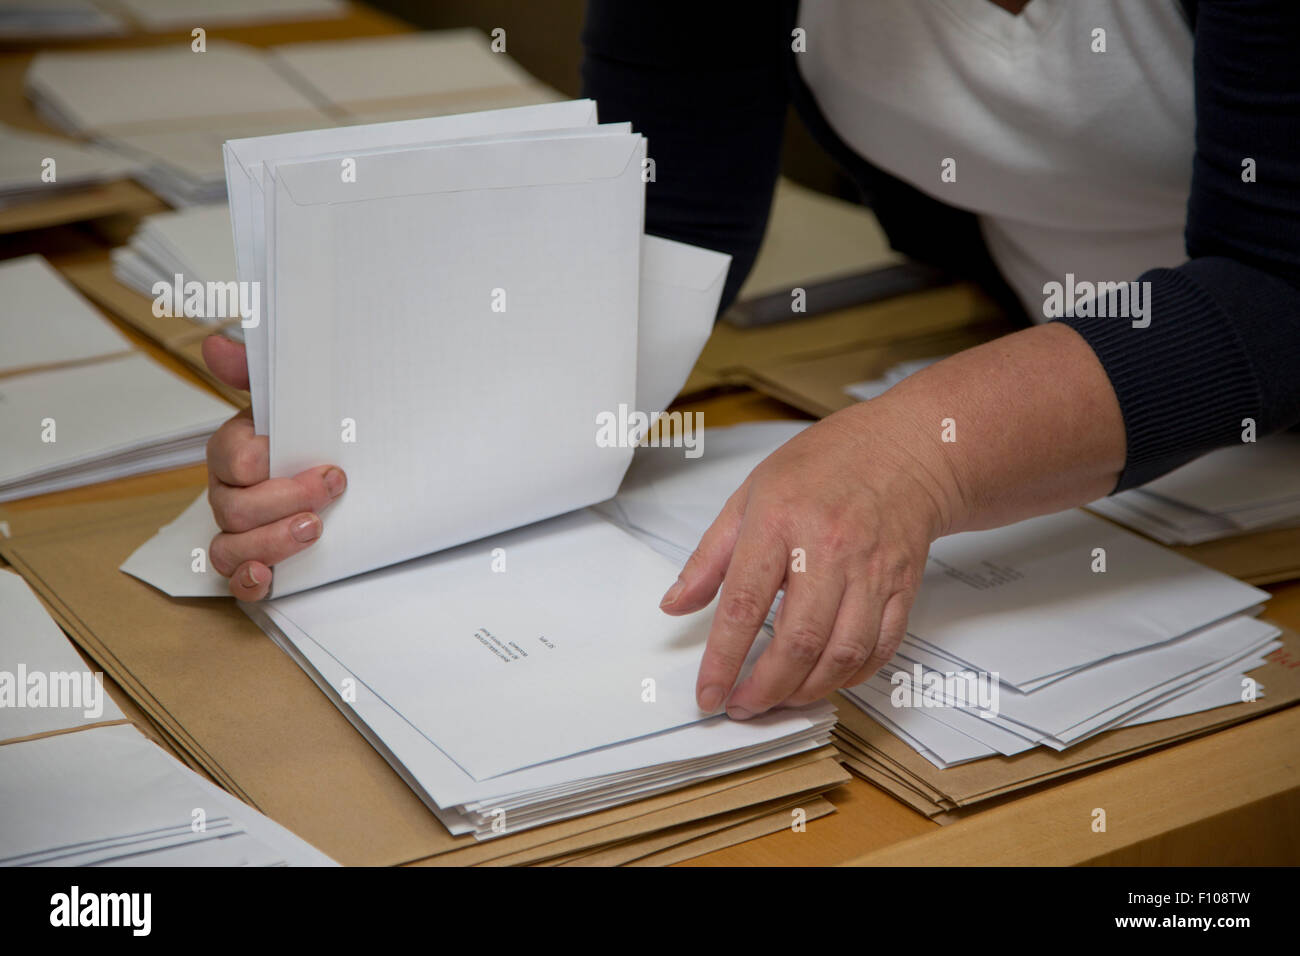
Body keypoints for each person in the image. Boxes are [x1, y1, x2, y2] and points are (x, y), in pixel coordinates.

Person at [200, 0, 1299, 724]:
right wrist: (390, 407)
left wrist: (920, 455)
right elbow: (665, 211)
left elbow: (1281, 280)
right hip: (1078, 410)